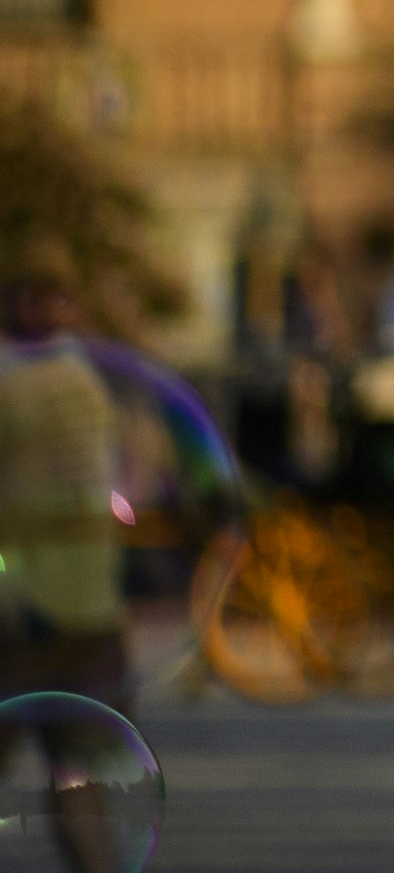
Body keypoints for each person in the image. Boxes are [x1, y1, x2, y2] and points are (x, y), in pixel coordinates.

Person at [0, 270, 133, 868]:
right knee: (75, 779)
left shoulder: (9, 387)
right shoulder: (87, 383)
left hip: (17, 616)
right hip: (88, 613)